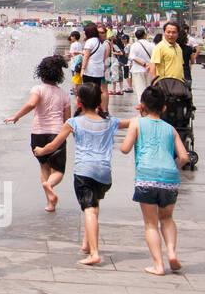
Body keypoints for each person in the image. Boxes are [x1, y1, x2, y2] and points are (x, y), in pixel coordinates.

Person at [35, 83, 131, 265]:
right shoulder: (110, 122)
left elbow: (53, 146)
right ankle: (87, 243)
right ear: (98, 101)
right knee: (94, 207)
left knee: (89, 211)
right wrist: (148, 113)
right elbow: (133, 122)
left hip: (84, 172)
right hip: (104, 173)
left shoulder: (73, 123)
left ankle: (94, 253)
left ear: (78, 101)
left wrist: (41, 151)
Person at [119, 84, 190, 276]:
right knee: (166, 218)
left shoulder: (137, 123)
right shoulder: (171, 129)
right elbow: (184, 157)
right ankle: (172, 253)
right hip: (170, 178)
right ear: (164, 108)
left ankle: (158, 265)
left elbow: (125, 148)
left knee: (151, 223)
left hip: (146, 177)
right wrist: (173, 169)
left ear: (141, 105)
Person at [4, 55, 71, 212]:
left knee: (44, 167)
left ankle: (50, 203)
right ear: (59, 75)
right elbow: (68, 120)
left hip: (37, 134)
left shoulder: (37, 89)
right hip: (56, 134)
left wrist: (16, 116)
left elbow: (32, 104)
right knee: (58, 171)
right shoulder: (64, 94)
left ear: (41, 73)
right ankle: (50, 185)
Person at [79, 23, 109, 113]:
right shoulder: (102, 43)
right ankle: (96, 108)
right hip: (99, 71)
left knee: (87, 90)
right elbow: (104, 58)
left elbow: (86, 56)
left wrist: (83, 69)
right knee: (96, 90)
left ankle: (88, 109)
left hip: (90, 70)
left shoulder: (90, 41)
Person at [127, 28, 155, 102]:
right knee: (149, 88)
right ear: (145, 35)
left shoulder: (134, 46)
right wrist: (148, 65)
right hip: (150, 69)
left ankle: (142, 104)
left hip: (138, 69)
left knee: (140, 89)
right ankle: (149, 103)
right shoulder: (151, 45)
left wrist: (143, 64)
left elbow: (133, 58)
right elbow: (154, 57)